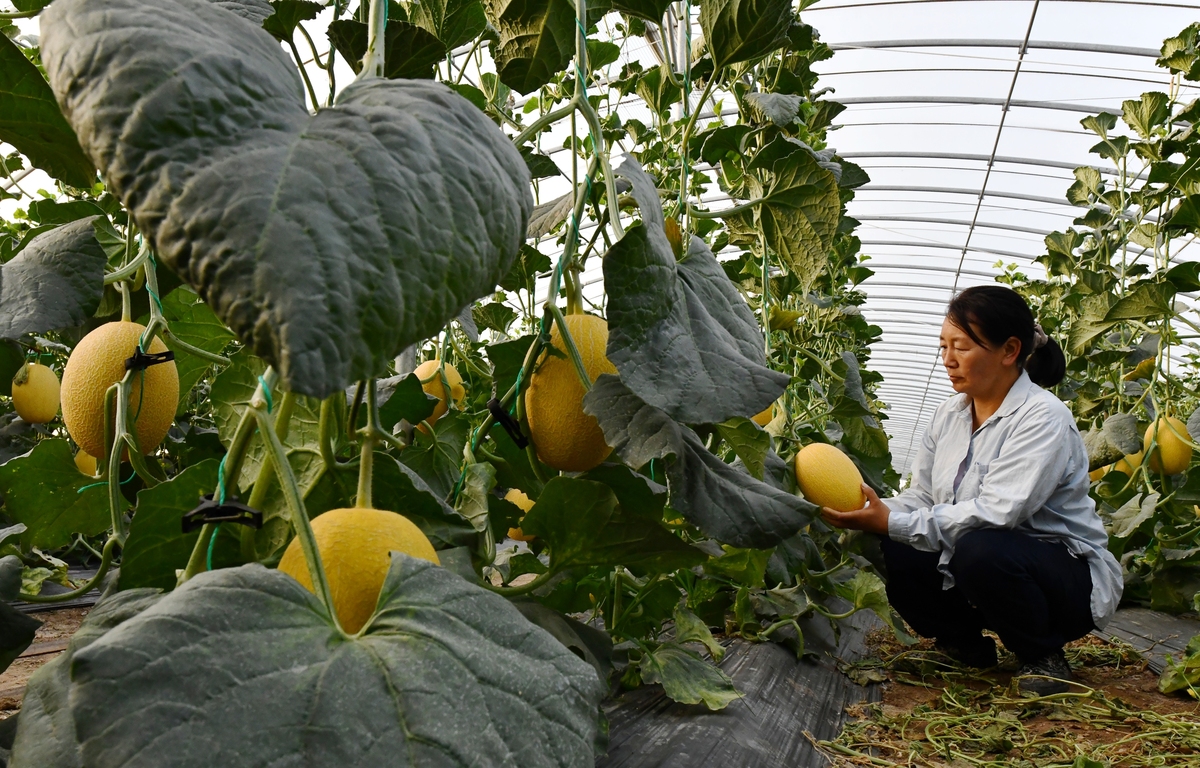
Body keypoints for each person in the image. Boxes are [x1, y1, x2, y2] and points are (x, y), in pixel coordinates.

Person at [821, 285, 1122, 695]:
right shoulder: (949, 414)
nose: (947, 360)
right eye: (943, 346)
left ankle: (1042, 655)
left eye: (961, 347)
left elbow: (999, 513)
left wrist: (893, 521)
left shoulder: (1043, 417)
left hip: (1061, 581)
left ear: (1010, 350)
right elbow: (922, 497)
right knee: (894, 542)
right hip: (984, 568)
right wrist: (872, 510)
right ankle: (963, 644)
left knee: (980, 547)